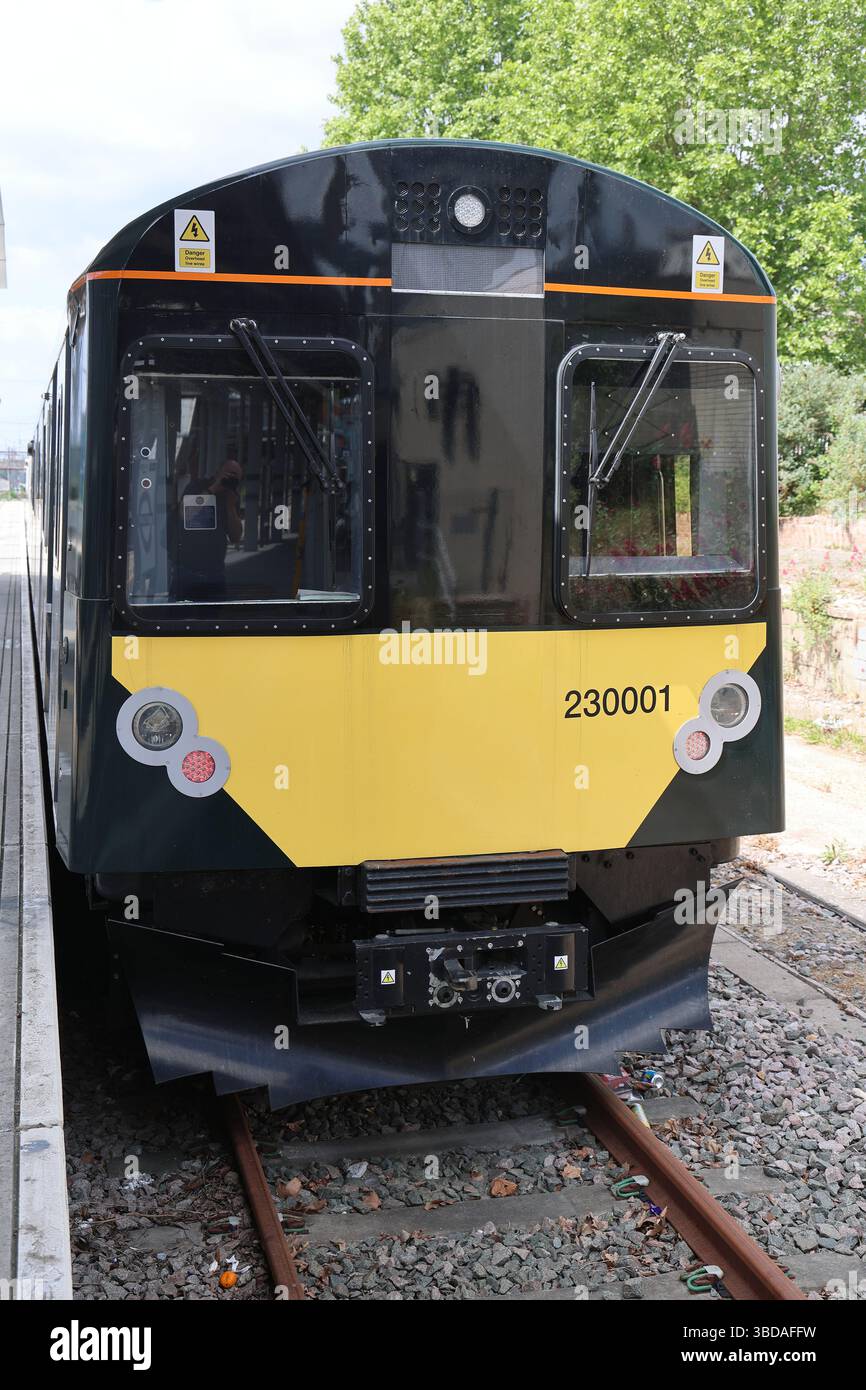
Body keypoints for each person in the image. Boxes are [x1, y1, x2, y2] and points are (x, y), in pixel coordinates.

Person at [174, 459, 244, 600]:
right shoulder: (198, 487)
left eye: (235, 477)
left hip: (215, 573)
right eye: (228, 474)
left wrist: (231, 507)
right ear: (218, 472)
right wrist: (213, 489)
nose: (230, 479)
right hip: (188, 570)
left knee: (213, 618)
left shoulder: (231, 497)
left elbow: (236, 537)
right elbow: (184, 514)